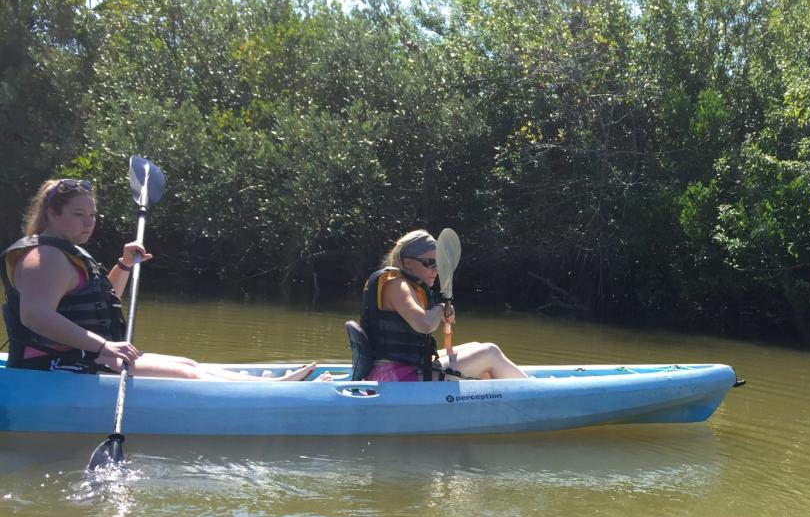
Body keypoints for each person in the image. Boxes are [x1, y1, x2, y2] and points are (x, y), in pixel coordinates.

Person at [2, 177, 321, 381]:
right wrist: (105, 345)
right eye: (78, 215)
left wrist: (124, 264)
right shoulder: (42, 259)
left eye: (93, 215)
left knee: (188, 363)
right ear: (52, 214)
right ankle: (273, 392)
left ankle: (269, 386)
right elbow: (35, 317)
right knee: (187, 376)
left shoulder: (64, 253)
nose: (89, 223)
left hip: (84, 355)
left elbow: (100, 301)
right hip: (53, 369)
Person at [361, 229, 527, 381]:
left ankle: (495, 397)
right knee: (490, 352)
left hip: (400, 372)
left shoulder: (402, 284)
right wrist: (440, 309)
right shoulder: (397, 285)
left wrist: (438, 311)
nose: (436, 270)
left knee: (477, 347)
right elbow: (424, 325)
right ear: (408, 262)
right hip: (395, 378)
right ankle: (531, 391)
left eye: (438, 264)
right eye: (429, 262)